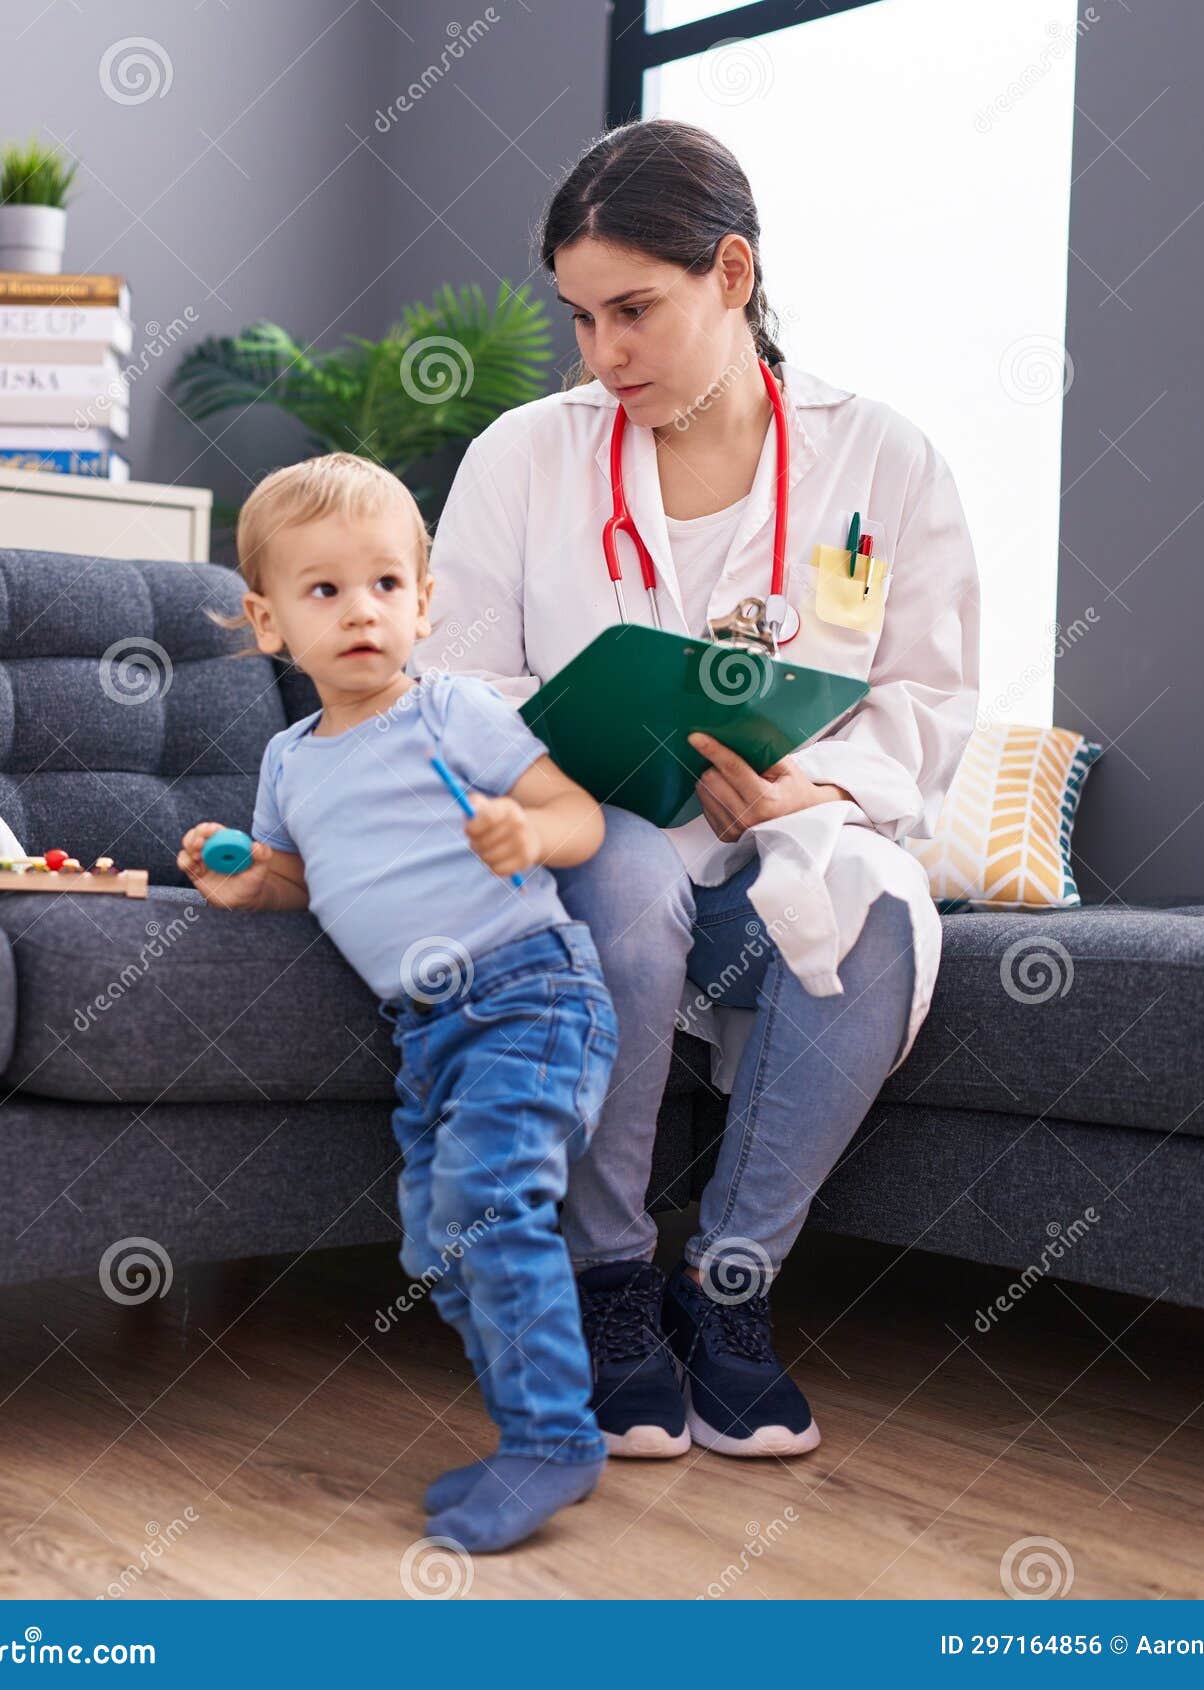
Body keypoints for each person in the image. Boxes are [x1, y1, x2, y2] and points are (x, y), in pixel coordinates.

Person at [410, 119, 981, 1459]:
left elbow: (930, 701)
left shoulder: (881, 460)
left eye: (633, 312)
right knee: (627, 871)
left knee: (879, 908)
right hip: (591, 835)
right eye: (580, 318)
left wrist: (810, 788)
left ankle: (726, 1291)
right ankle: (608, 1282)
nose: (601, 356)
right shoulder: (523, 454)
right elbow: (456, 685)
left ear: (731, 275)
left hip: (779, 841)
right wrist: (569, 749)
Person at [179, 452, 620, 1553]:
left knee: (488, 1202)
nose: (360, 611)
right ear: (268, 619)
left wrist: (529, 831)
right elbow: (295, 877)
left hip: (529, 996)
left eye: (384, 585)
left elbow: (578, 815)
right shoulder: (287, 759)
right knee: (434, 1241)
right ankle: (532, 1426)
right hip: (429, 1032)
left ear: (424, 605)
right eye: (323, 590)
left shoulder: (453, 714)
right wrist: (249, 880)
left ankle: (552, 1436)